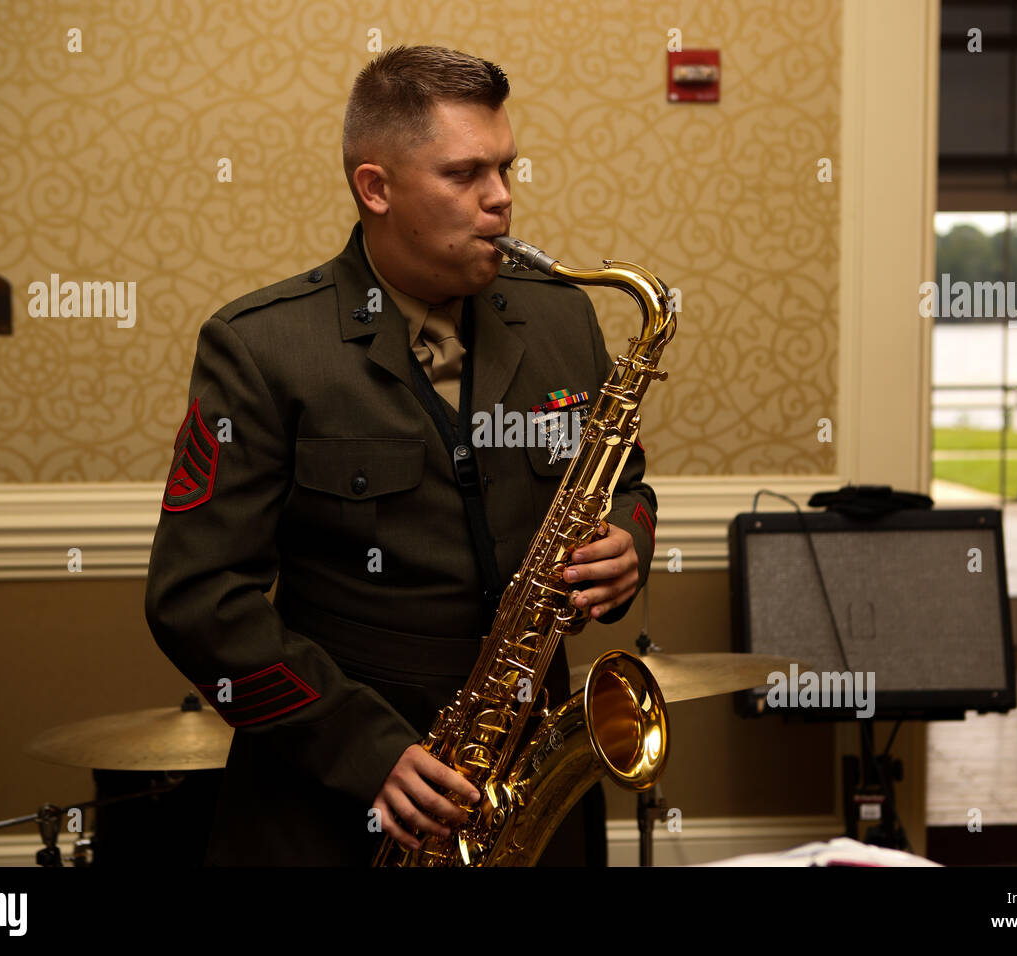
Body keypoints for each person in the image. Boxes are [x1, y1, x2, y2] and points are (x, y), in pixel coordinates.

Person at [143, 45, 657, 866]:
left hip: (530, 785)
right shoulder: (262, 346)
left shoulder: (564, 321)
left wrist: (630, 539)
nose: (502, 200)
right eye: (465, 174)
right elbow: (196, 597)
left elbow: (622, 481)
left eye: (507, 167)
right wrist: (364, 748)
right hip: (330, 800)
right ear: (375, 187)